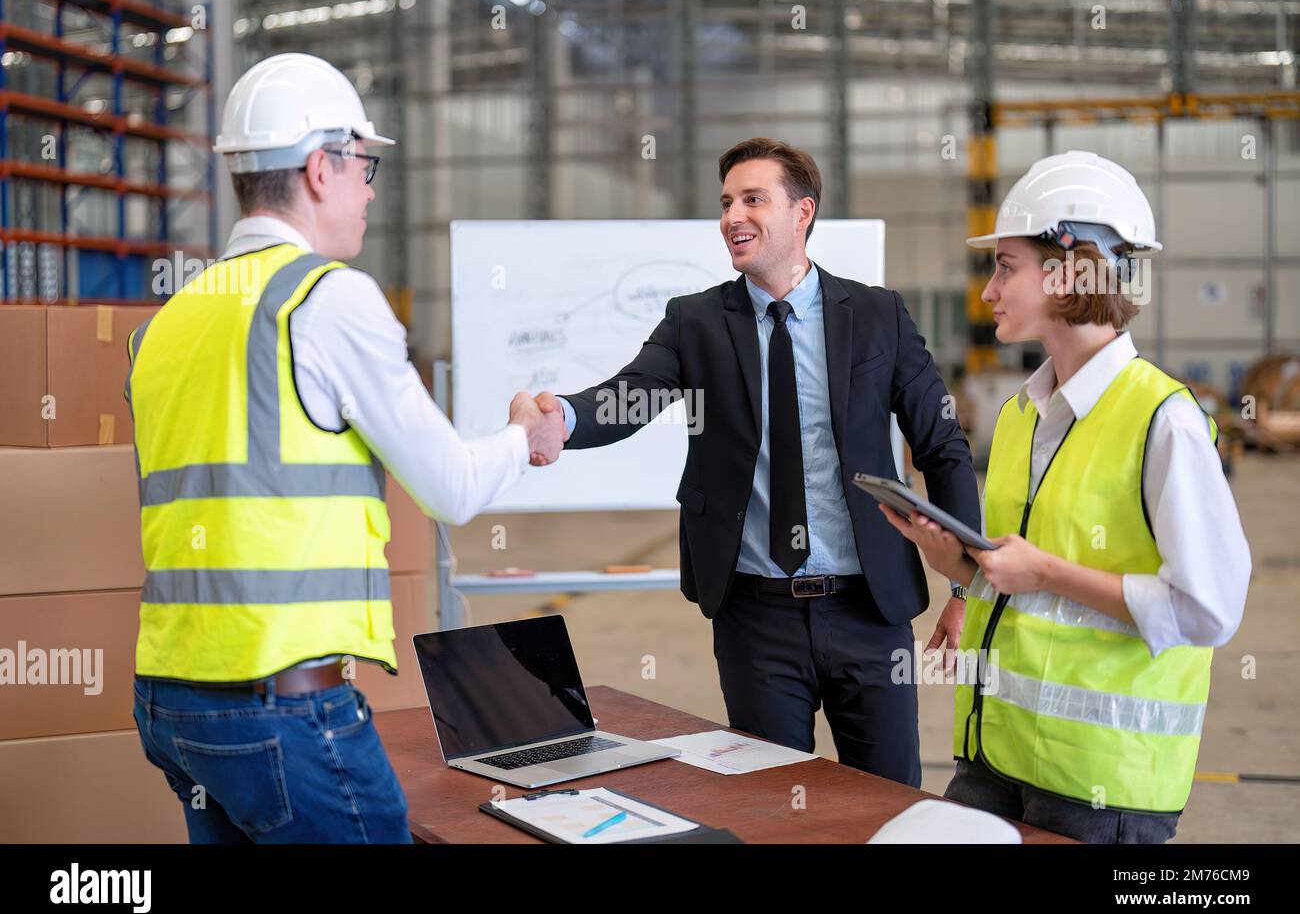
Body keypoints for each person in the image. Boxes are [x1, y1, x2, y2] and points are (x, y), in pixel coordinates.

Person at [125, 53, 564, 843]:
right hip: (281, 707)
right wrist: (522, 436)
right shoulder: (325, 299)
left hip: (170, 702)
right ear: (319, 168)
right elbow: (453, 489)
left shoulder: (167, 322)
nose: (369, 190)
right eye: (364, 165)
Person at [531, 138, 980, 786]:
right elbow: (629, 398)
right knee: (771, 807)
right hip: (755, 620)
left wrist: (966, 586)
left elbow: (943, 449)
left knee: (889, 806)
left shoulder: (877, 316)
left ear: (802, 212)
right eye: (725, 203)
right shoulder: (697, 323)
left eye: (752, 199)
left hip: (869, 613)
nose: (731, 216)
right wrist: (562, 419)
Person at [882, 150, 1250, 842]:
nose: (989, 290)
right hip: (997, 757)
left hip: (1100, 787)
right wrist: (960, 568)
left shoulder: (1162, 419)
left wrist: (1044, 571)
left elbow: (1209, 609)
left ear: (1070, 267)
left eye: (1006, 266)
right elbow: (1029, 586)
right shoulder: (1024, 413)